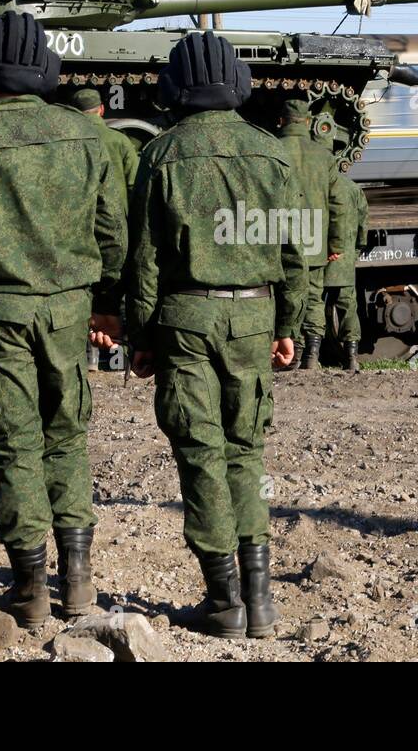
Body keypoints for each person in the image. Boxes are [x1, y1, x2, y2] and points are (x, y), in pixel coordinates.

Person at [0, 10, 126, 627]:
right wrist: (109, 306)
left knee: (14, 446)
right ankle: (81, 583)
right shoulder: (92, 138)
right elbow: (112, 233)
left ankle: (31, 588)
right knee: (66, 437)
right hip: (68, 311)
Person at [128, 32, 306, 639]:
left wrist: (143, 335)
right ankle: (262, 604)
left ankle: (223, 601)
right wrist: (288, 326)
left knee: (201, 455)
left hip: (185, 321)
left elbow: (145, 260)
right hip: (255, 320)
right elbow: (294, 254)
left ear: (175, 87)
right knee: (246, 453)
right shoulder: (273, 155)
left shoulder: (161, 156)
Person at [70, 87, 139, 371]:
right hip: (116, 229)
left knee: (83, 292)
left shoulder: (71, 141)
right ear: (101, 110)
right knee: (115, 290)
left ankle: (87, 359)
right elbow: (136, 186)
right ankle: (116, 357)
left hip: (78, 231)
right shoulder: (120, 141)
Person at [275, 99, 344, 369]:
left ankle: (289, 352)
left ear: (281, 120)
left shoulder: (272, 149)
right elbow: (337, 203)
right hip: (316, 237)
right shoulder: (324, 156)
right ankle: (311, 355)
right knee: (314, 296)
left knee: (284, 294)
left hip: (280, 238)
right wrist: (335, 242)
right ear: (307, 122)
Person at [323, 171, 368, 372]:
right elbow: (362, 225)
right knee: (347, 305)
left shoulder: (317, 185)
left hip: (317, 257)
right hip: (344, 255)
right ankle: (351, 356)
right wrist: (355, 250)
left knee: (312, 304)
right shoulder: (353, 188)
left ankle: (308, 357)